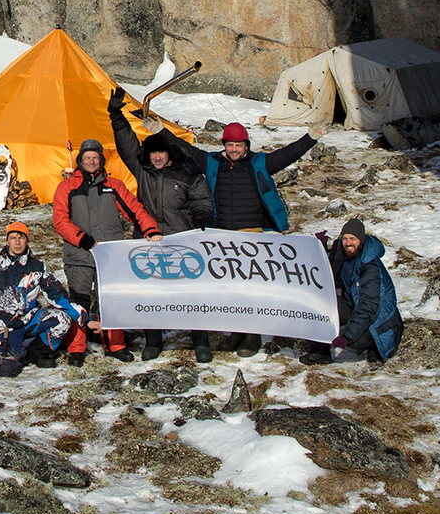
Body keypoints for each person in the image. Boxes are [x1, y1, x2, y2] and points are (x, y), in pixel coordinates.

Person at [152, 117, 321, 357]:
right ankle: (236, 332)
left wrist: (311, 137)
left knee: (250, 287)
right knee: (230, 288)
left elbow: (287, 154)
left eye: (238, 145)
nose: (234, 149)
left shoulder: (259, 162)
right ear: (224, 145)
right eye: (230, 145)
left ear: (246, 145)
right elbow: (185, 148)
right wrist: (161, 131)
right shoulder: (213, 162)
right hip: (222, 235)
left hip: (252, 234)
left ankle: (252, 336)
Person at [108, 86, 214, 362]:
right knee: (151, 291)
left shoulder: (186, 172)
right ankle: (153, 340)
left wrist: (202, 217)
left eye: (161, 153)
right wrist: (116, 116)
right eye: (152, 153)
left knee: (192, 292)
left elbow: (202, 199)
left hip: (182, 239)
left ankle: (200, 341)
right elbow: (127, 145)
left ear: (168, 154)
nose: (156, 157)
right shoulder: (142, 169)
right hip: (148, 239)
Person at [53, 138, 162, 365]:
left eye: (95, 157)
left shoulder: (114, 185)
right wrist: (82, 239)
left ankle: (116, 345)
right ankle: (76, 348)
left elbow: (134, 209)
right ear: (80, 160)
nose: (91, 161)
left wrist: (150, 229)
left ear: (101, 160)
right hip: (79, 254)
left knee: (111, 301)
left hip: (110, 255)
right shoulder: (67, 187)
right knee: (79, 301)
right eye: (87, 157)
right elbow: (60, 221)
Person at [0, 221, 97, 377]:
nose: (17, 242)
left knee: (62, 319)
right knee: (6, 369)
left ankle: (37, 353)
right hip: (5, 326)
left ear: (27, 240)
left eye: (21, 238)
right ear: (7, 241)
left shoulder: (38, 267)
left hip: (30, 319)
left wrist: (86, 320)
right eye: (13, 238)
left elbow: (58, 296)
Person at [301, 219, 403, 365]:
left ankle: (375, 345)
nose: (349, 243)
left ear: (361, 240)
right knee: (317, 303)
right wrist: (321, 249)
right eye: (345, 238)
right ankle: (320, 352)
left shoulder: (370, 267)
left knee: (356, 340)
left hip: (379, 321)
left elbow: (367, 308)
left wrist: (346, 337)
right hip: (354, 308)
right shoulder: (345, 256)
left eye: (353, 239)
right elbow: (330, 276)